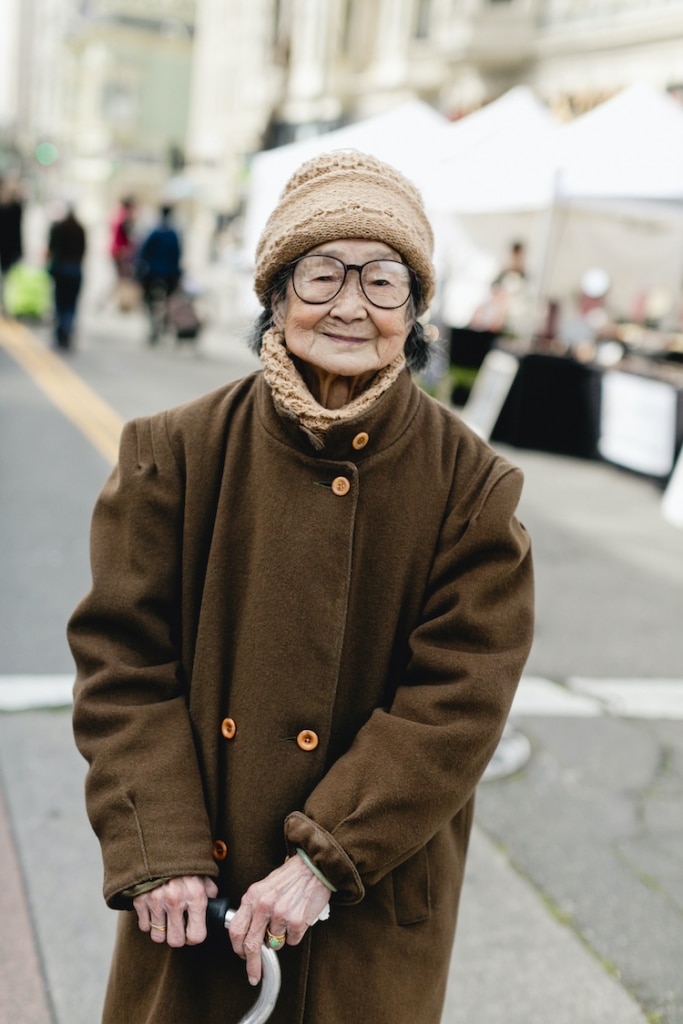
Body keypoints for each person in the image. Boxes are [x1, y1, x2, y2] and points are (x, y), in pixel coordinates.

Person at [68, 150, 534, 1024]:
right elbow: (122, 664)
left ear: (416, 307)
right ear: (275, 295)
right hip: (198, 886)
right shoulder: (173, 451)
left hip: (366, 890)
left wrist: (325, 857)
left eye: (384, 280)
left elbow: (459, 701)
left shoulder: (473, 487)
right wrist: (160, 845)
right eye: (321, 274)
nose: (350, 305)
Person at [136, 204, 182, 342]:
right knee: (168, 300)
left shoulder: (154, 231)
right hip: (169, 273)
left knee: (148, 300)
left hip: (153, 272)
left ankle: (153, 325)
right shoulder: (173, 233)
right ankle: (164, 324)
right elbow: (177, 254)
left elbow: (144, 252)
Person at [47, 204, 86, 349]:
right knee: (71, 305)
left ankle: (61, 333)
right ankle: (67, 330)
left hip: (61, 269)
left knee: (60, 303)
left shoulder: (58, 227)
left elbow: (51, 248)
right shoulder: (80, 229)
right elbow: (83, 250)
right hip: (75, 269)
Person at [0, 178, 24, 310]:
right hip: (8, 250)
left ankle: (4, 306)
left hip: (8, 251)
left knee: (6, 281)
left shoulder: (15, 209)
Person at [109, 196, 137, 282]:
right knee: (123, 278)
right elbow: (128, 236)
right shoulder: (126, 217)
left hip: (116, 249)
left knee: (119, 276)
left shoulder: (118, 214)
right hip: (121, 251)